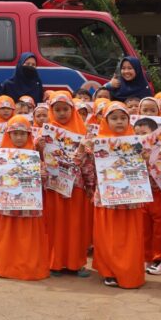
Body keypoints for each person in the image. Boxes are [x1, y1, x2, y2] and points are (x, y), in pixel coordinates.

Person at [81, 101, 147, 289]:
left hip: (131, 199)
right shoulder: (97, 142)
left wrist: (146, 157)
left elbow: (148, 167)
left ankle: (130, 271)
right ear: (105, 120)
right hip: (107, 199)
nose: (119, 122)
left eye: (123, 118)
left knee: (130, 237)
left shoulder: (137, 142)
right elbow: (82, 165)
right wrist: (83, 149)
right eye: (114, 118)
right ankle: (109, 271)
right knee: (108, 237)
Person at [0, 115, 49, 281]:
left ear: (29, 135)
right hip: (8, 203)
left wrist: (43, 175)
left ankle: (29, 268)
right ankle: (6, 267)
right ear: (8, 135)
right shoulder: (1, 156)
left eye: (23, 134)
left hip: (30, 204)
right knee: (8, 234)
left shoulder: (35, 156)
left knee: (29, 236)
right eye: (15, 133)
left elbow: (46, 178)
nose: (19, 137)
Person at [44, 93, 93, 277]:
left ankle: (76, 263)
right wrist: (39, 147)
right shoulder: (45, 133)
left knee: (75, 225)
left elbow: (88, 163)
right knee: (55, 224)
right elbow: (36, 158)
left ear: (72, 110)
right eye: (57, 110)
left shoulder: (83, 133)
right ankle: (54, 262)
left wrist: (90, 185)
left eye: (65, 109)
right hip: (53, 186)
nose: (62, 113)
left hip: (76, 187)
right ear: (51, 111)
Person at [134, 117, 161, 276]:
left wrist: (151, 160)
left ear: (154, 134)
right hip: (143, 194)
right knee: (144, 228)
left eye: (144, 133)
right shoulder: (133, 149)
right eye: (137, 134)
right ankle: (146, 257)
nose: (141, 137)